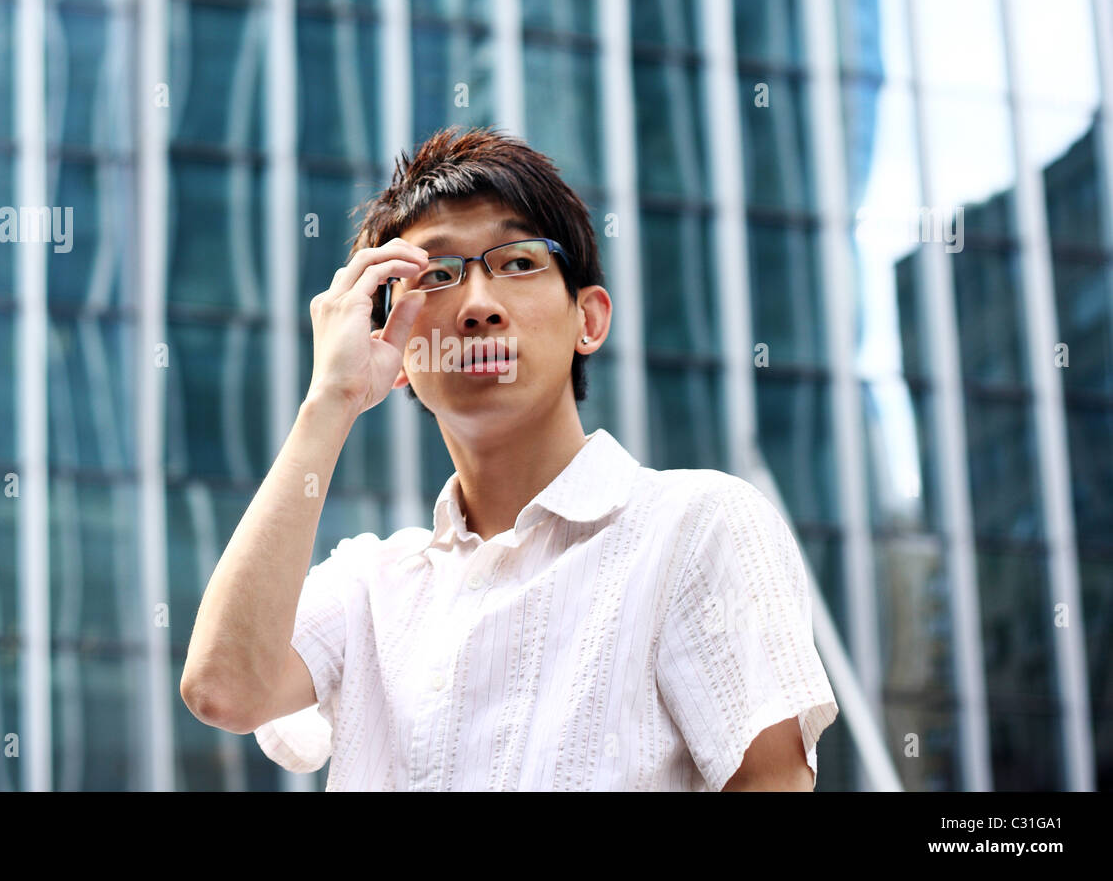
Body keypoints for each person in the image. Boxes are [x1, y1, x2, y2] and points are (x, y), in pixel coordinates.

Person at [180, 124, 838, 791]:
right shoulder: (370, 585)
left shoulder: (694, 526)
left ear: (589, 319)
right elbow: (223, 689)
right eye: (437, 274)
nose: (478, 307)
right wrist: (331, 397)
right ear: (397, 351)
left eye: (519, 263)